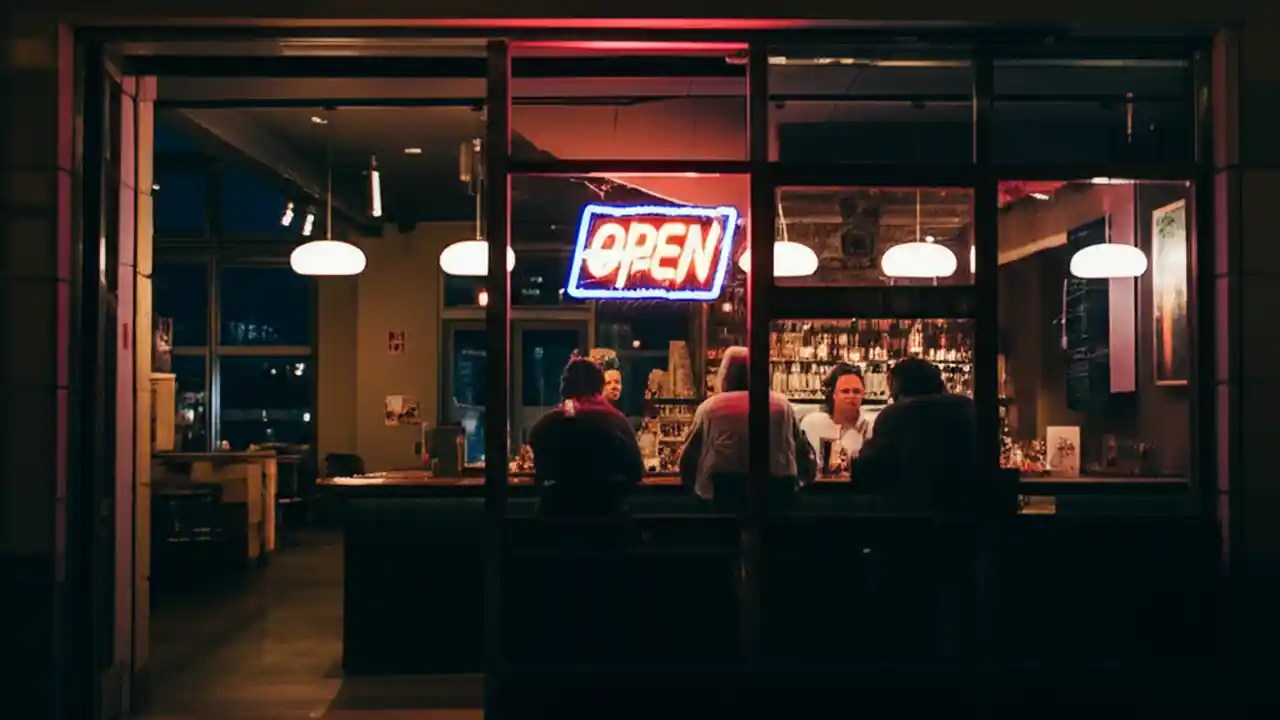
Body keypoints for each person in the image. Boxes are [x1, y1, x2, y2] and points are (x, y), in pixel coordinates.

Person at [678, 346, 816, 502]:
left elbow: (689, 458)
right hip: (778, 496)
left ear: (725, 375)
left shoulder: (710, 408)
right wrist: (801, 484)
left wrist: (694, 491)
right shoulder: (782, 405)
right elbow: (803, 454)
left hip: (721, 497)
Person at [851, 357, 977, 515]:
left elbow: (870, 469)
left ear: (899, 388)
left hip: (910, 514)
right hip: (968, 514)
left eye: (893, 394)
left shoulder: (897, 414)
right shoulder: (966, 408)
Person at [528, 358, 644, 515]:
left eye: (564, 381)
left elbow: (539, 469)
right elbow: (636, 471)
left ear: (566, 386)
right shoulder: (616, 421)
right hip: (608, 516)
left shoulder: (550, 422)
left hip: (558, 516)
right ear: (600, 385)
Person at [799, 363, 874, 466]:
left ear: (863, 394)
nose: (851, 396)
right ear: (833, 394)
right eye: (845, 391)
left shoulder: (873, 430)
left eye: (856, 391)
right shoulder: (812, 424)